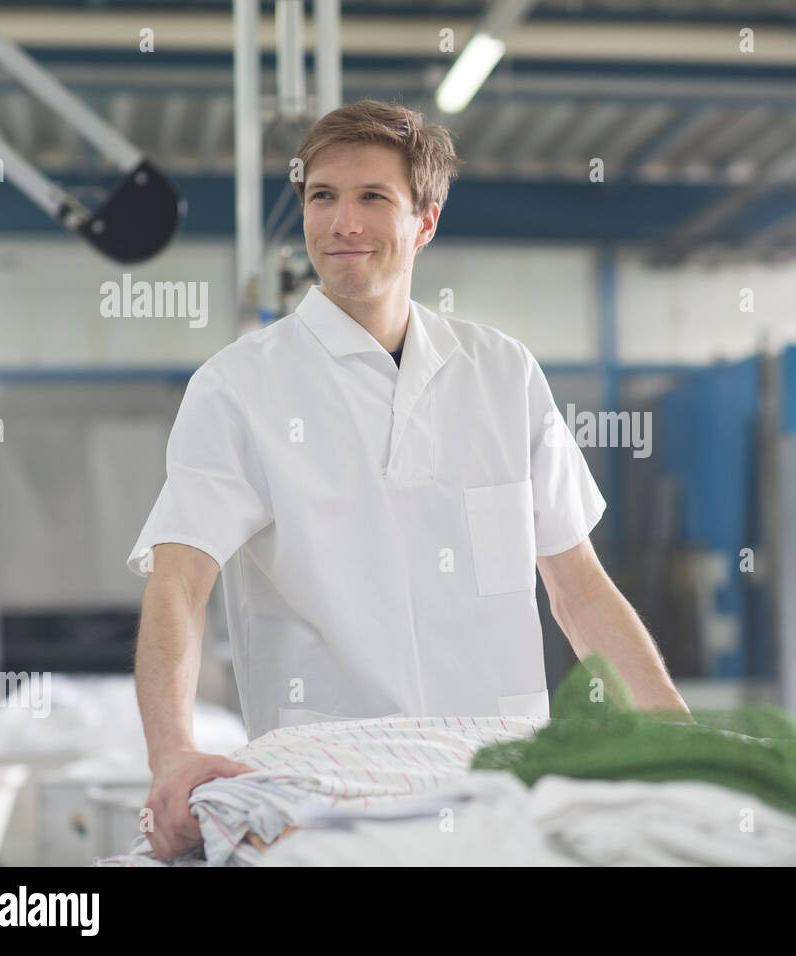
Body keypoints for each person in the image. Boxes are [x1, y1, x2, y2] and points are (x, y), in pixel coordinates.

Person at [127, 100, 689, 860]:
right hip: (325, 789)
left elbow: (577, 587)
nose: (341, 224)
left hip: (504, 780)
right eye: (322, 197)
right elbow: (178, 583)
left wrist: (681, 742)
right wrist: (173, 756)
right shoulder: (238, 389)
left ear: (424, 222)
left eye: (372, 199)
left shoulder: (503, 373)